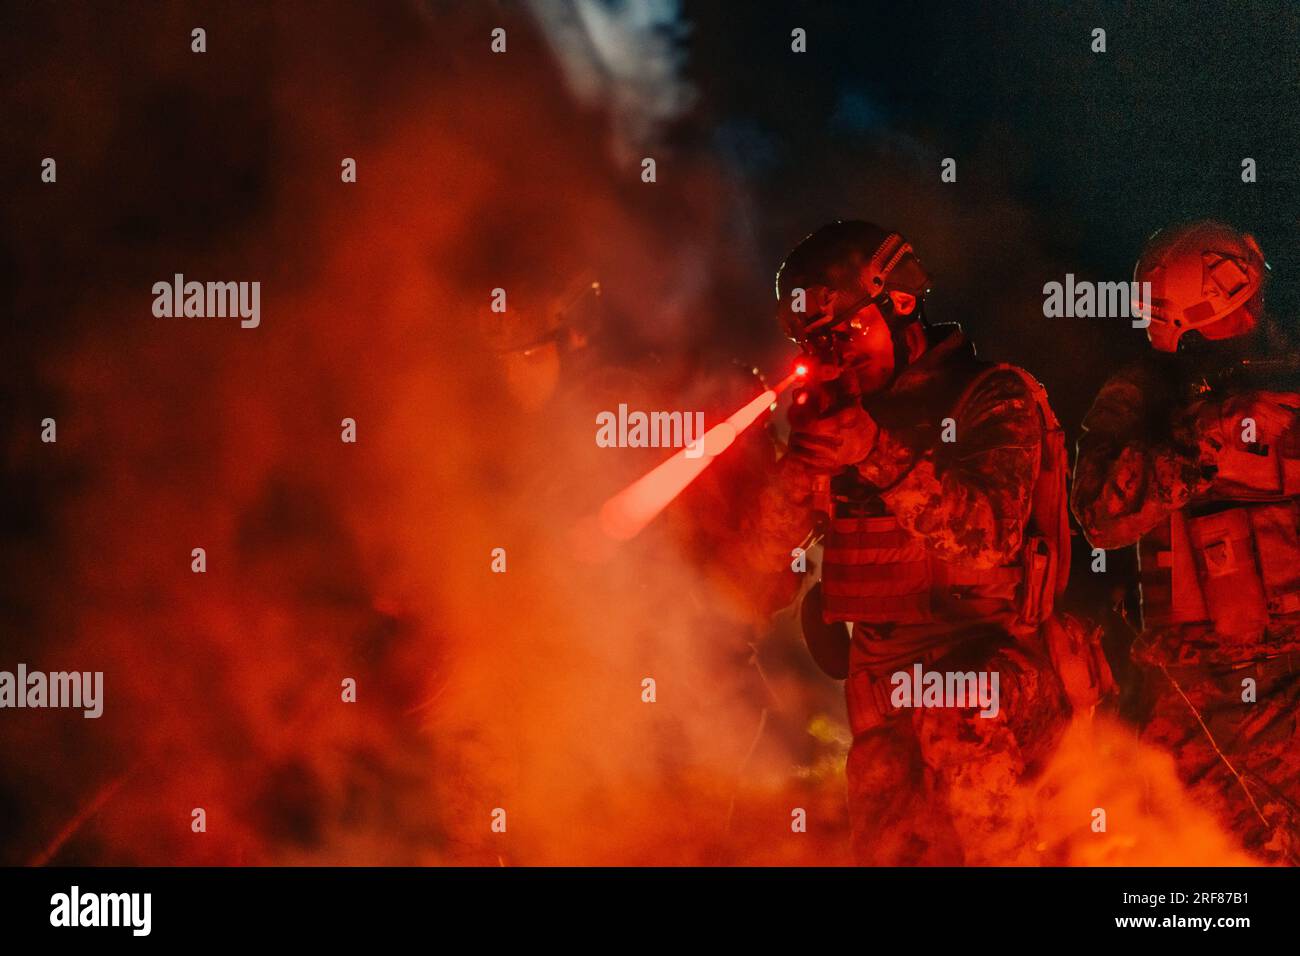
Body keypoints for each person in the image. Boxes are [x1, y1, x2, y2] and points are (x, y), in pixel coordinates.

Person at [744, 221, 1110, 864]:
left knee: (956, 709)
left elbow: (987, 536)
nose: (835, 354)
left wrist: (875, 453)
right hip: (888, 696)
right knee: (887, 809)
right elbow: (756, 579)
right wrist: (799, 472)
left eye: (847, 331)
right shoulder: (837, 417)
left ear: (901, 303)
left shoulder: (990, 395)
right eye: (816, 342)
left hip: (1006, 673)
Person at [1072, 220, 1300, 863]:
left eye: (1252, 306)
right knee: (1195, 870)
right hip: (1195, 694)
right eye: (1233, 319)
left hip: (1292, 679)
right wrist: (1210, 432)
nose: (1255, 324)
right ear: (1180, 332)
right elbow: (1099, 515)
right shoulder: (1142, 394)